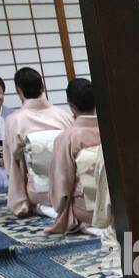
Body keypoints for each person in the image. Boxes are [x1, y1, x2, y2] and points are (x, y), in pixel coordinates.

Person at [1, 67, 73, 218]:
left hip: (38, 191)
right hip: (68, 187)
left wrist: (19, 201)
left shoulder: (14, 120)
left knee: (16, 163)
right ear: (43, 86)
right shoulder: (63, 115)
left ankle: (34, 205)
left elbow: (12, 164)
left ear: (18, 90)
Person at [43, 78, 101, 236]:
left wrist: (59, 205)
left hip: (89, 208)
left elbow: (62, 183)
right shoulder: (110, 130)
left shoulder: (67, 137)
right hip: (118, 204)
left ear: (71, 105)